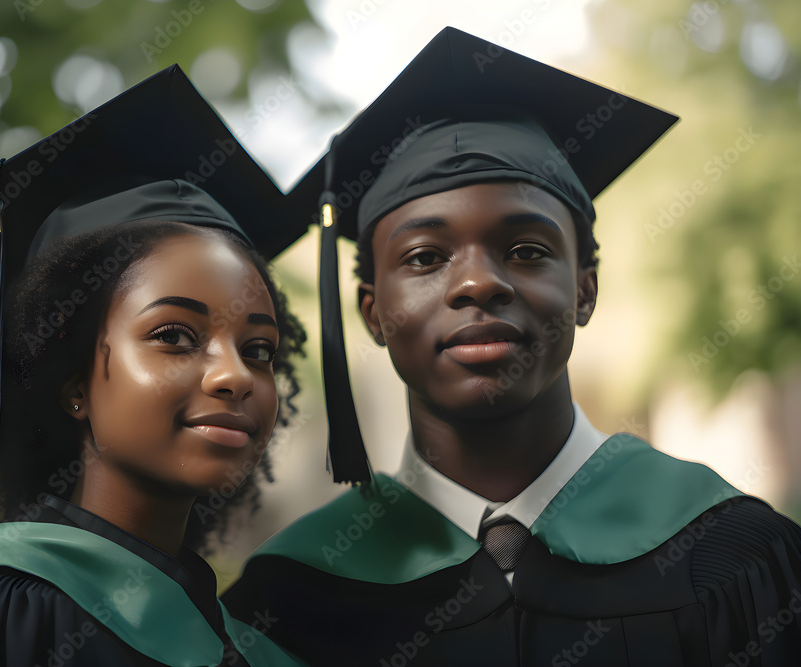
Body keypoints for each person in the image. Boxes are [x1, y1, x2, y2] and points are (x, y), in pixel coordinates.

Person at [221, 28, 801, 666]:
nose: (477, 282)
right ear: (372, 314)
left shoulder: (737, 557)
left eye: (527, 251)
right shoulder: (287, 601)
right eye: (425, 257)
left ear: (584, 292)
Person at [0, 65, 308, 667]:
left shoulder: (262, 653)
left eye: (259, 350)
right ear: (71, 383)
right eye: (174, 335)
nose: (237, 376)